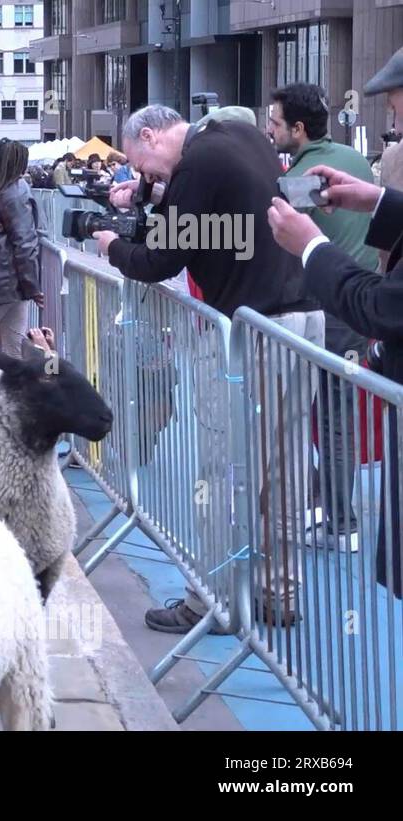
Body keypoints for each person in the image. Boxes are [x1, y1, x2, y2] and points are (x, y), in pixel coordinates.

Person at [95, 104, 323, 631]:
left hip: (249, 332)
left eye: (143, 166)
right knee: (285, 468)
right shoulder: (240, 136)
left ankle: (211, 599)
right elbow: (210, 225)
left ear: (150, 135)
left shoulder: (197, 163)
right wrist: (155, 198)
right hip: (303, 319)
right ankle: (280, 593)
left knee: (225, 471)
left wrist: (112, 246)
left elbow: (161, 260)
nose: (147, 177)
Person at [267, 46, 403, 598]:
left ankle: (339, 514)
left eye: (398, 110)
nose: (394, 125)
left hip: (345, 310)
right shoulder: (350, 159)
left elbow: (384, 308)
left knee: (334, 420)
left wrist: (311, 248)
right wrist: (377, 202)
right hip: (347, 315)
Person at [269, 82, 380, 551]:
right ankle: (335, 514)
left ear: (297, 129)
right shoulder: (352, 162)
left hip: (326, 307)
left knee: (307, 416)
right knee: (337, 416)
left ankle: (338, 520)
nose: (268, 131)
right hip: (359, 305)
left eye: (274, 124)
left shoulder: (298, 176)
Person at [0, 138, 43, 359]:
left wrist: (32, 287)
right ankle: (16, 394)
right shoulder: (9, 191)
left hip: (0, 286)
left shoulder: (11, 195)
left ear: (3, 163)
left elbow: (25, 243)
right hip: (10, 286)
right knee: (14, 353)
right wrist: (30, 286)